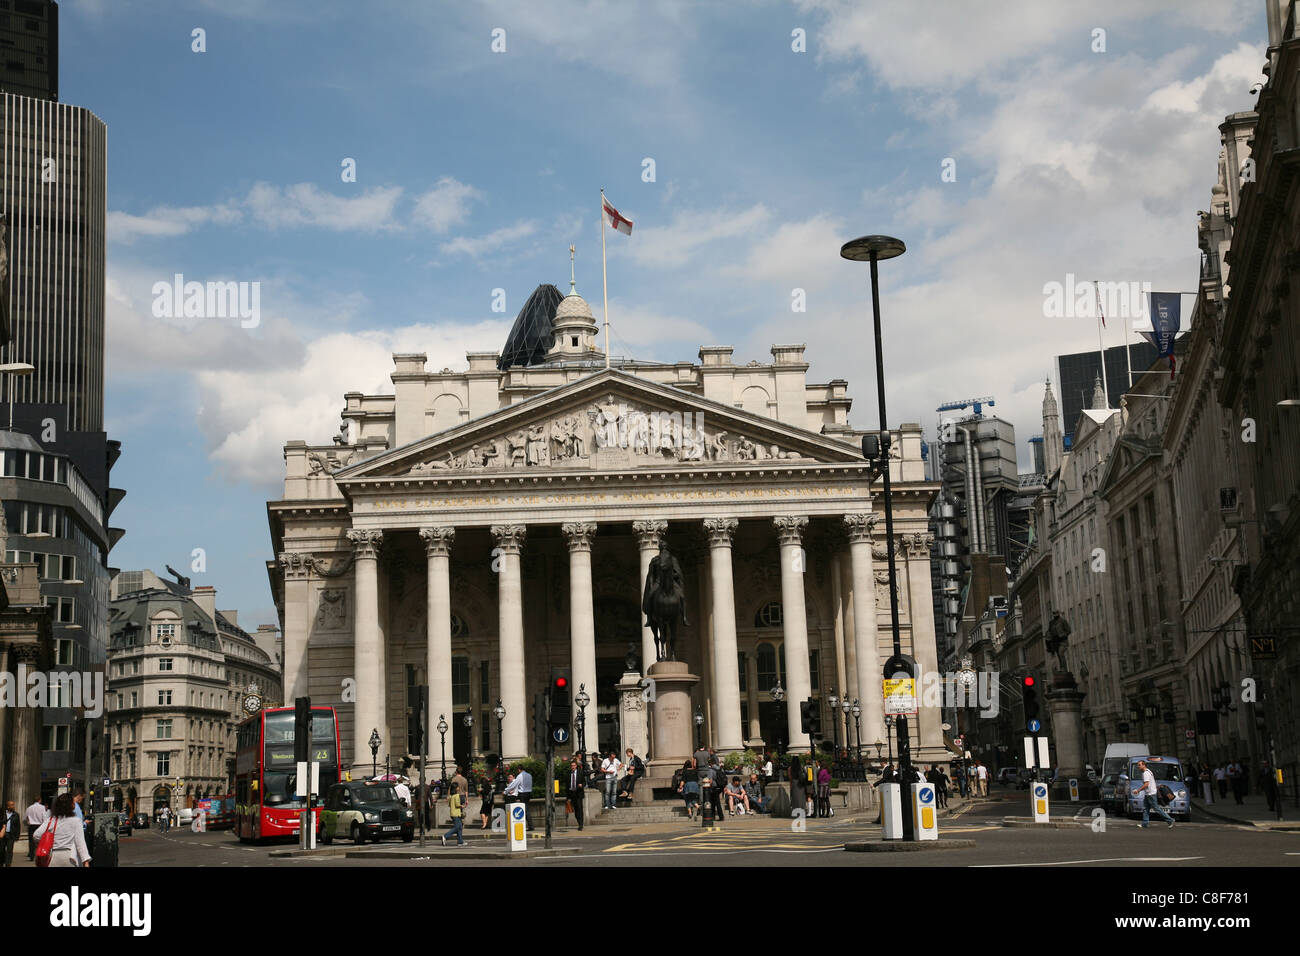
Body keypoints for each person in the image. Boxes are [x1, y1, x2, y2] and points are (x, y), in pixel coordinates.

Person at [33, 793, 90, 867]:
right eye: (73, 803)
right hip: (70, 857)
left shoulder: (52, 820)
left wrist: (46, 843)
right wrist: (85, 861)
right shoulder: (76, 821)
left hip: (53, 857)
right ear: (71, 805)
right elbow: (80, 843)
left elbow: (36, 835)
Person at [1131, 759, 1175, 828]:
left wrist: (1138, 790)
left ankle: (1170, 820)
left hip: (1151, 794)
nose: (1138, 767)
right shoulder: (1148, 771)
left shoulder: (1146, 773)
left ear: (1143, 765)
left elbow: (1146, 784)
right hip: (1148, 793)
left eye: (1139, 765)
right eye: (1138, 765)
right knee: (1146, 808)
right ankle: (1145, 823)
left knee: (1157, 809)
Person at [441, 782, 467, 847]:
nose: (458, 788)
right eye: (457, 787)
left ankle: (460, 841)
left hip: (452, 813)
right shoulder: (457, 795)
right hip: (456, 813)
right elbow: (457, 805)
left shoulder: (451, 796)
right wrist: (462, 806)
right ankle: (445, 836)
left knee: (460, 827)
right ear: (456, 788)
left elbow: (450, 805)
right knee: (457, 827)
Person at [566, 756, 586, 830]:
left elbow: (584, 782)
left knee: (579, 809)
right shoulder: (568, 773)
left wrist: (581, 785)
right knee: (575, 810)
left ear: (576, 766)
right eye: (571, 766)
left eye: (574, 765)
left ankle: (581, 824)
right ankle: (579, 821)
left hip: (578, 793)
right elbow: (567, 785)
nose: (573, 767)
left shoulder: (580, 773)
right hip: (572, 793)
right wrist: (568, 797)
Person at [24, 797, 46, 862]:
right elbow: (44, 817)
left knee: (31, 841)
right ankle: (39, 855)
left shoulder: (29, 808)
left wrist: (28, 823)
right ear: (39, 800)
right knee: (40, 841)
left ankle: (31, 856)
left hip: (31, 825)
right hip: (39, 825)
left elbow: (25, 818)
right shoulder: (42, 807)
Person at [2, 800, 19, 867]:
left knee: (9, 850)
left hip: (11, 835)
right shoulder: (2, 814)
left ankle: (8, 864)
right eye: (11, 805)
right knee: (2, 850)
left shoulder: (16, 814)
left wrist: (17, 836)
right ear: (8, 806)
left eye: (13, 805)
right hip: (3, 834)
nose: (13, 806)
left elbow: (18, 826)